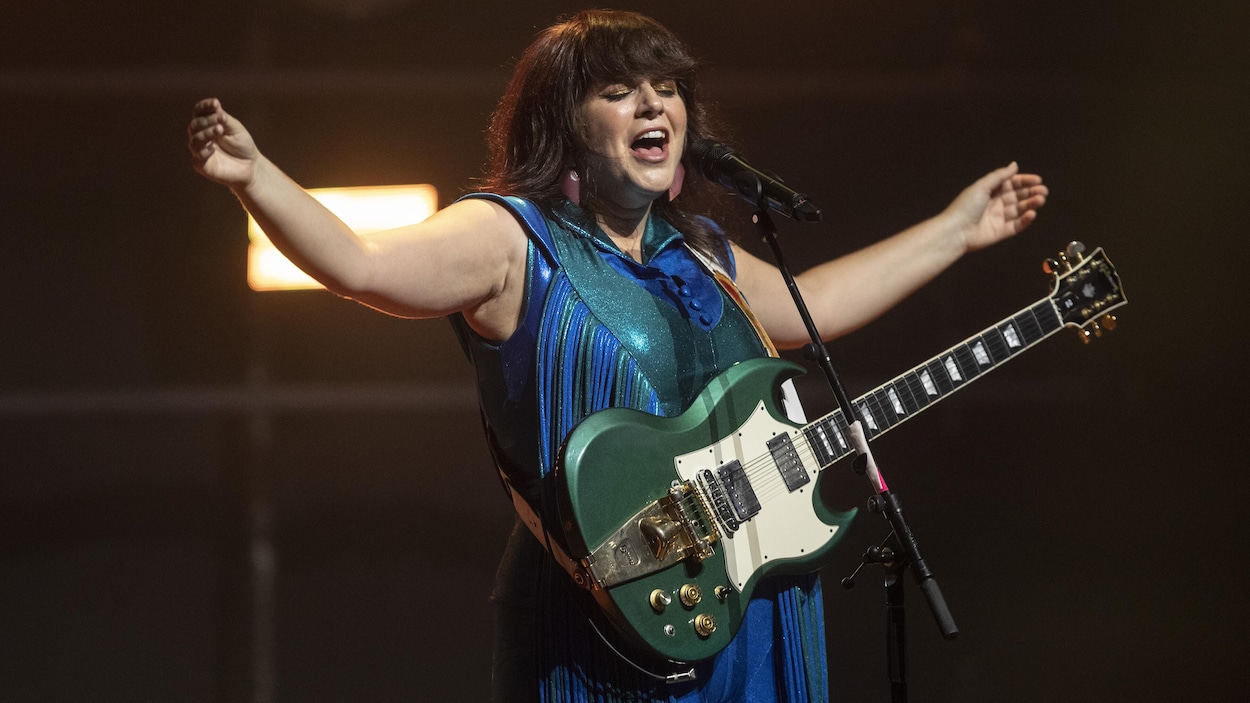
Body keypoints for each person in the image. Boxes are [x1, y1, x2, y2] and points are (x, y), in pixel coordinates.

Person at [188, 10, 1046, 702]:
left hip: (749, 599)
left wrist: (958, 230)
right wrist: (255, 176)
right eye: (619, 90)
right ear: (565, 121)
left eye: (667, 90)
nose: (654, 107)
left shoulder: (697, 250)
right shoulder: (511, 239)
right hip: (606, 617)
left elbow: (810, 306)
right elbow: (362, 266)